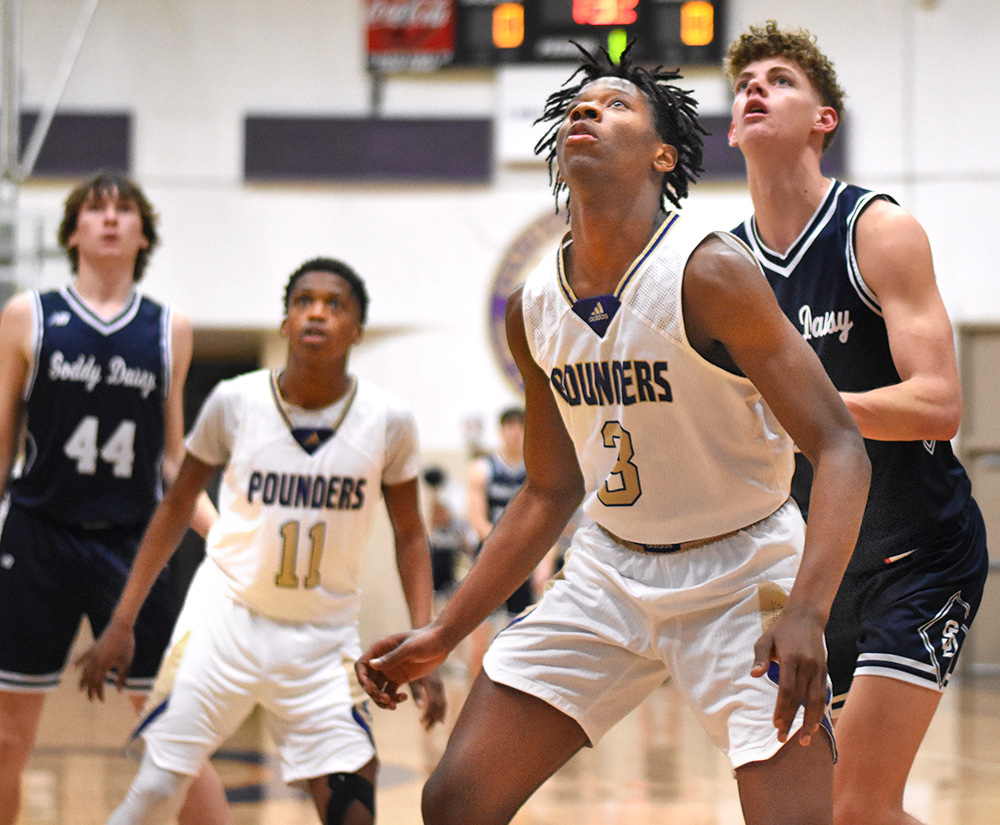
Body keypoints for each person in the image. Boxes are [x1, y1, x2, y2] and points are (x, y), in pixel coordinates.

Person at [356, 42, 871, 825]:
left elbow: (840, 446)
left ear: (664, 154)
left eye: (617, 104)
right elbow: (549, 489)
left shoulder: (708, 272)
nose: (588, 110)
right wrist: (443, 629)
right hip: (608, 570)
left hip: (744, 575)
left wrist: (807, 610)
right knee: (455, 801)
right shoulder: (531, 306)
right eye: (578, 105)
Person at [725, 21, 989, 825]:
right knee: (818, 815)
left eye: (780, 80)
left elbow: (938, 402)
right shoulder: (724, 270)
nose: (755, 90)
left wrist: (808, 411)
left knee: (856, 808)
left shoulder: (876, 230)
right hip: (814, 570)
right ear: (732, 130)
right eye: (744, 87)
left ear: (823, 119)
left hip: (921, 555)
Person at [76, 256, 446, 825]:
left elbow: (411, 537)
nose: (316, 312)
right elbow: (174, 511)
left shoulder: (388, 420)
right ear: (284, 322)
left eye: (334, 303)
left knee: (354, 809)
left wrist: (425, 641)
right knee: (154, 791)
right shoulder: (234, 402)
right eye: (303, 301)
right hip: (227, 619)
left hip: (323, 638)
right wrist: (123, 621)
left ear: (356, 330)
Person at [0, 171, 227, 825]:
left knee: (171, 734)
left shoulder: (168, 328)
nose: (108, 218)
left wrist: (228, 536)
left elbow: (174, 457)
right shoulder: (28, 315)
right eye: (94, 209)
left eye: (123, 209)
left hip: (133, 544)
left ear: (143, 234)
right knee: (8, 736)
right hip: (36, 534)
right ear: (71, 232)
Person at [465, 407, 529, 677]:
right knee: (480, 635)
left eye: (520, 427)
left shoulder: (536, 469)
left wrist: (543, 564)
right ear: (501, 431)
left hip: (525, 557)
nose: (515, 433)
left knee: (521, 640)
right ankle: (473, 704)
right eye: (509, 427)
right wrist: (503, 548)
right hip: (490, 556)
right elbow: (478, 521)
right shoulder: (483, 469)